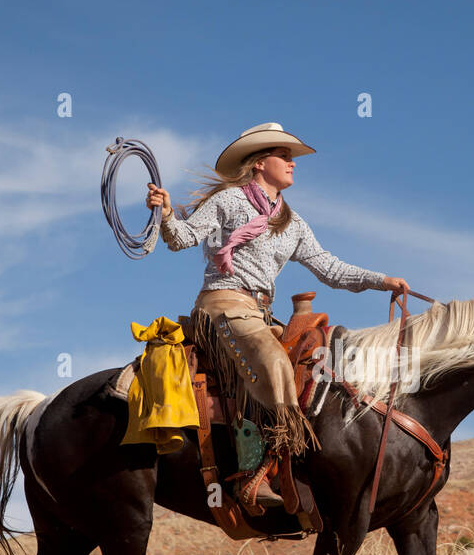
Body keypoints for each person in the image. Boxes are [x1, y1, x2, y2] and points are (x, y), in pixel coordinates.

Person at [147, 122, 409, 509]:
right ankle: (255, 473)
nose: (292, 164)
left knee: (317, 369)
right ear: (258, 163)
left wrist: (380, 280)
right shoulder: (227, 201)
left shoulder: (293, 223)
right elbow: (181, 239)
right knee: (271, 361)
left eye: (292, 158)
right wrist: (167, 213)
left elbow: (329, 268)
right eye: (283, 156)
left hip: (260, 312)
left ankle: (301, 465)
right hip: (223, 304)